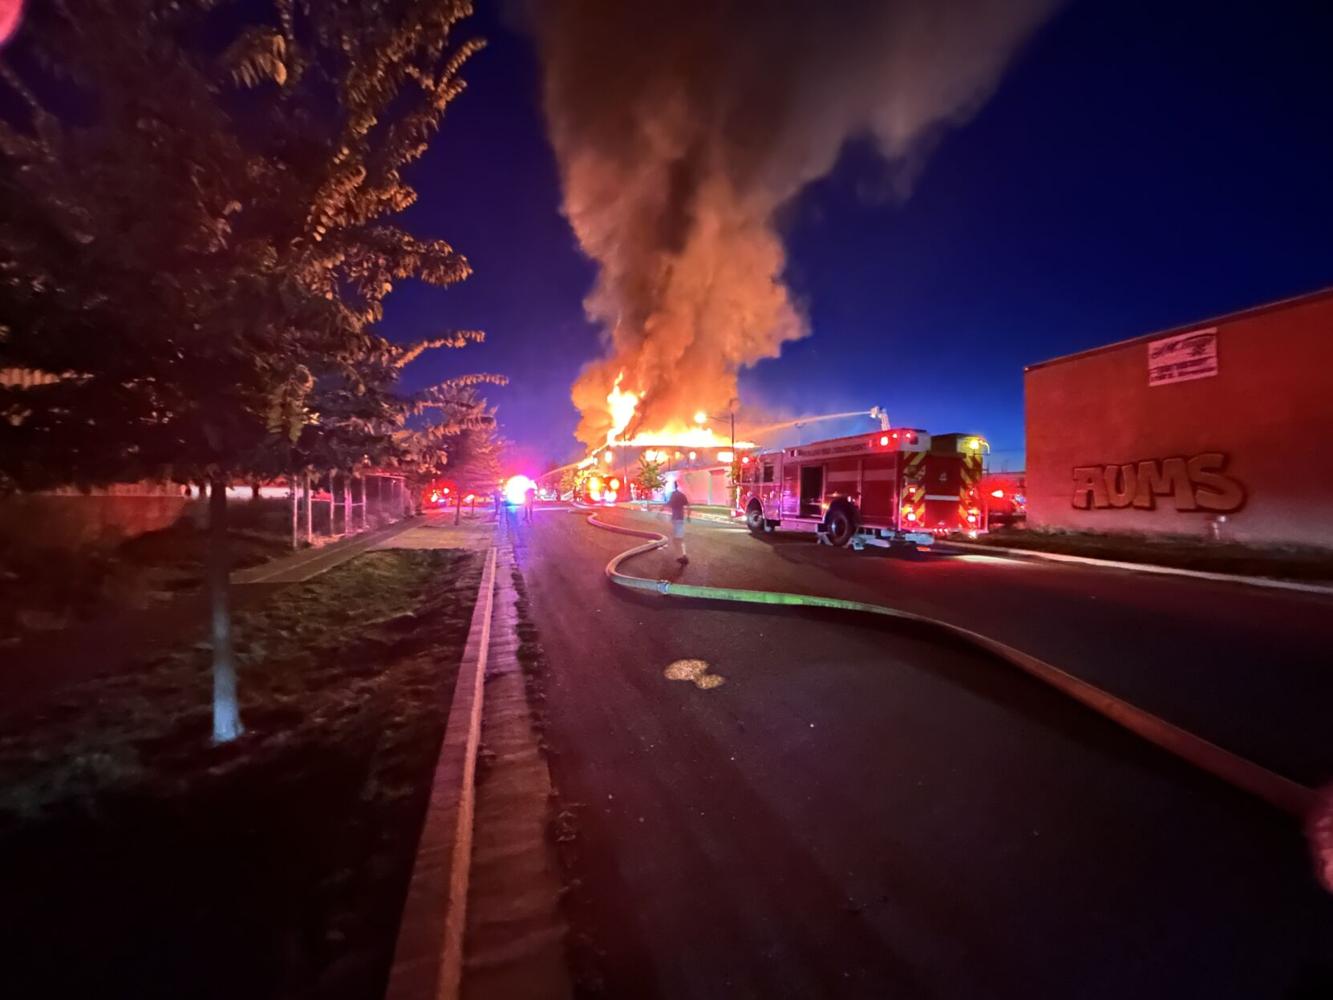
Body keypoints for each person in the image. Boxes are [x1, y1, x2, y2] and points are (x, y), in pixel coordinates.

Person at [667, 482, 690, 564]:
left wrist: (660, 511)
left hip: (676, 518)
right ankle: (682, 556)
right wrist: (688, 516)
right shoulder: (681, 495)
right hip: (680, 518)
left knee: (677, 539)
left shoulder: (673, 495)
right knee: (678, 538)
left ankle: (683, 556)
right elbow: (688, 505)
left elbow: (669, 504)